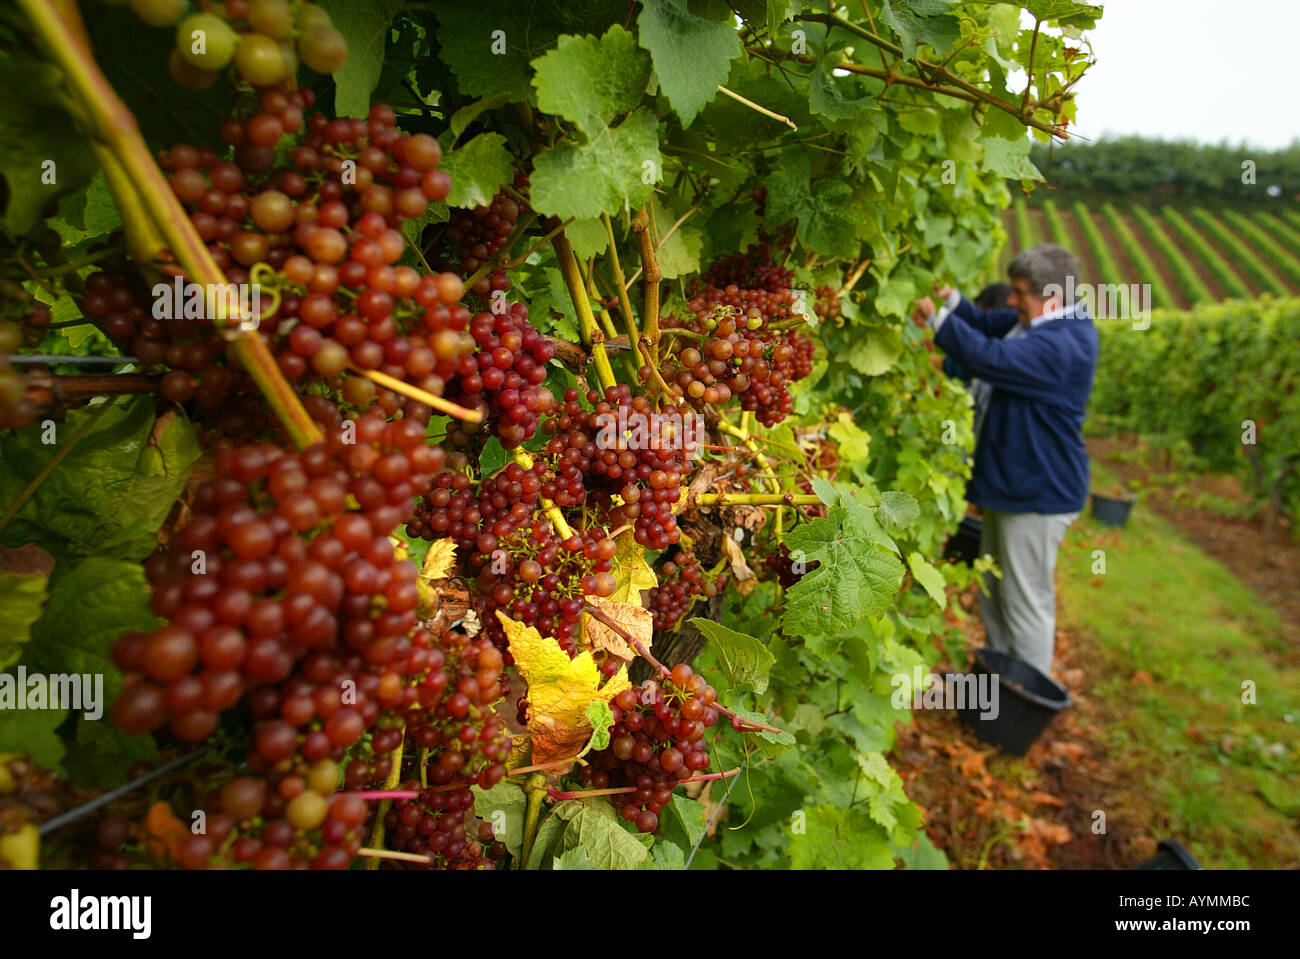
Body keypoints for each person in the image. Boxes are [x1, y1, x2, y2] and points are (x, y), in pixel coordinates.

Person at [913, 245, 1097, 678]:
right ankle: (999, 679)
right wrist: (950, 300)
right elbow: (984, 324)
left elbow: (988, 358)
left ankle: (1028, 695)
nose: (1010, 301)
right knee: (996, 589)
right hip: (1013, 487)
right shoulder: (1038, 322)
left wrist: (936, 319)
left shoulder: (1064, 345)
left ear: (1051, 297)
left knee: (1025, 600)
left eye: (1019, 294)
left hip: (1038, 492)